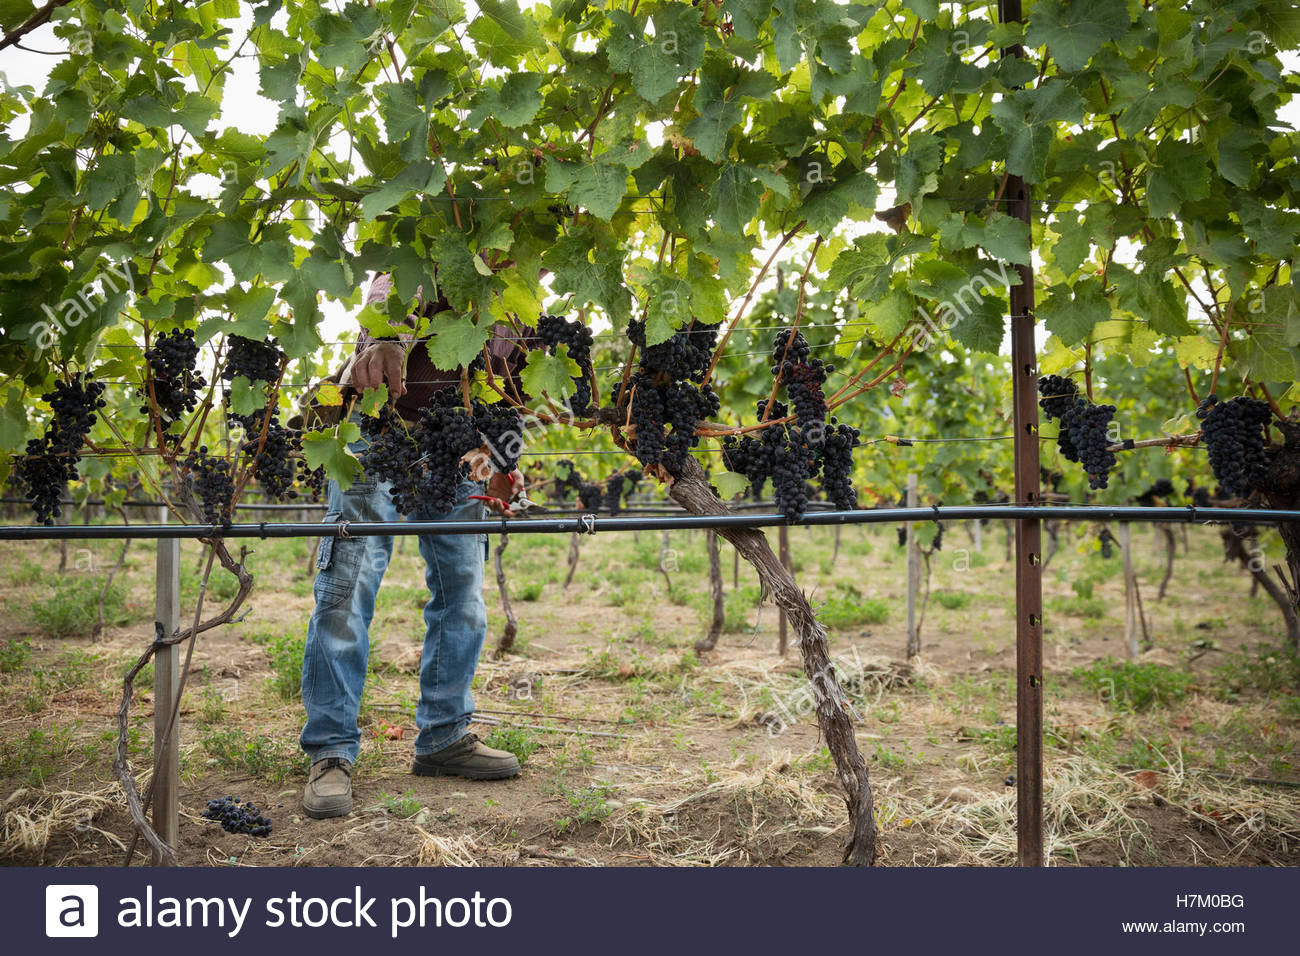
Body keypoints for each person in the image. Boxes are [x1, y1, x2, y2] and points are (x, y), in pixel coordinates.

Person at [300, 273, 527, 819]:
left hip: (457, 447)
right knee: (348, 586)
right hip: (377, 433)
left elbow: (511, 398)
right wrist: (382, 343)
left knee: (465, 594)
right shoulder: (437, 251)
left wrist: (502, 462)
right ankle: (330, 749)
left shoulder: (523, 306)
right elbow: (388, 297)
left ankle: (444, 738)